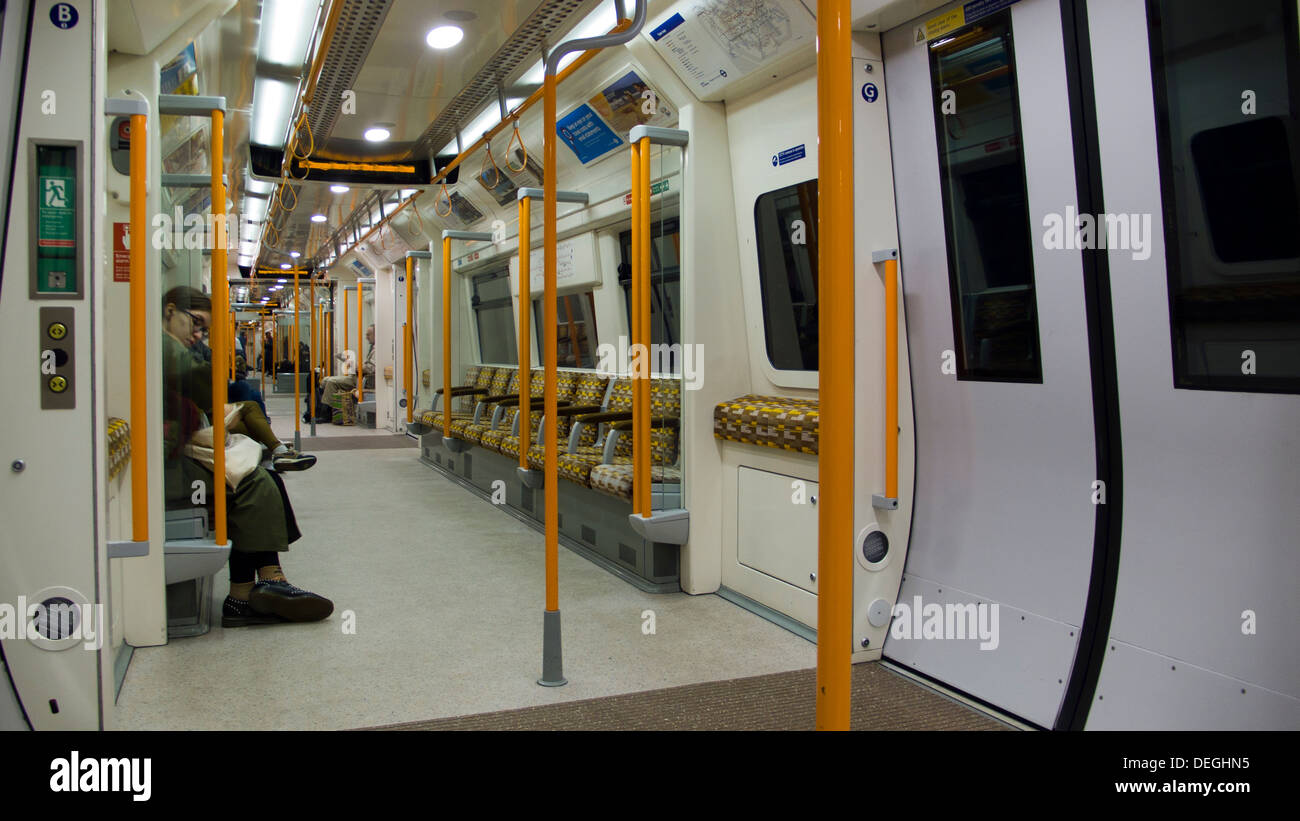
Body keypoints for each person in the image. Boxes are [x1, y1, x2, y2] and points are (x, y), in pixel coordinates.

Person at [162, 286, 332, 627]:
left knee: (261, 475)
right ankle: (256, 588)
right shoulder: (164, 346)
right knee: (254, 483)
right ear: (170, 311)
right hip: (170, 466)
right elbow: (206, 386)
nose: (197, 334)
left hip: (175, 453)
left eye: (203, 329)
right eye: (195, 323)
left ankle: (253, 589)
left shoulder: (172, 346)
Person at [318, 323, 375, 419]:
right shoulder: (372, 349)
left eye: (368, 335)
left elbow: (370, 368)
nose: (366, 337)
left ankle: (325, 413)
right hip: (357, 376)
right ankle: (322, 408)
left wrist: (355, 365)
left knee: (331, 382)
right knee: (325, 380)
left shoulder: (377, 350)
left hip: (361, 380)